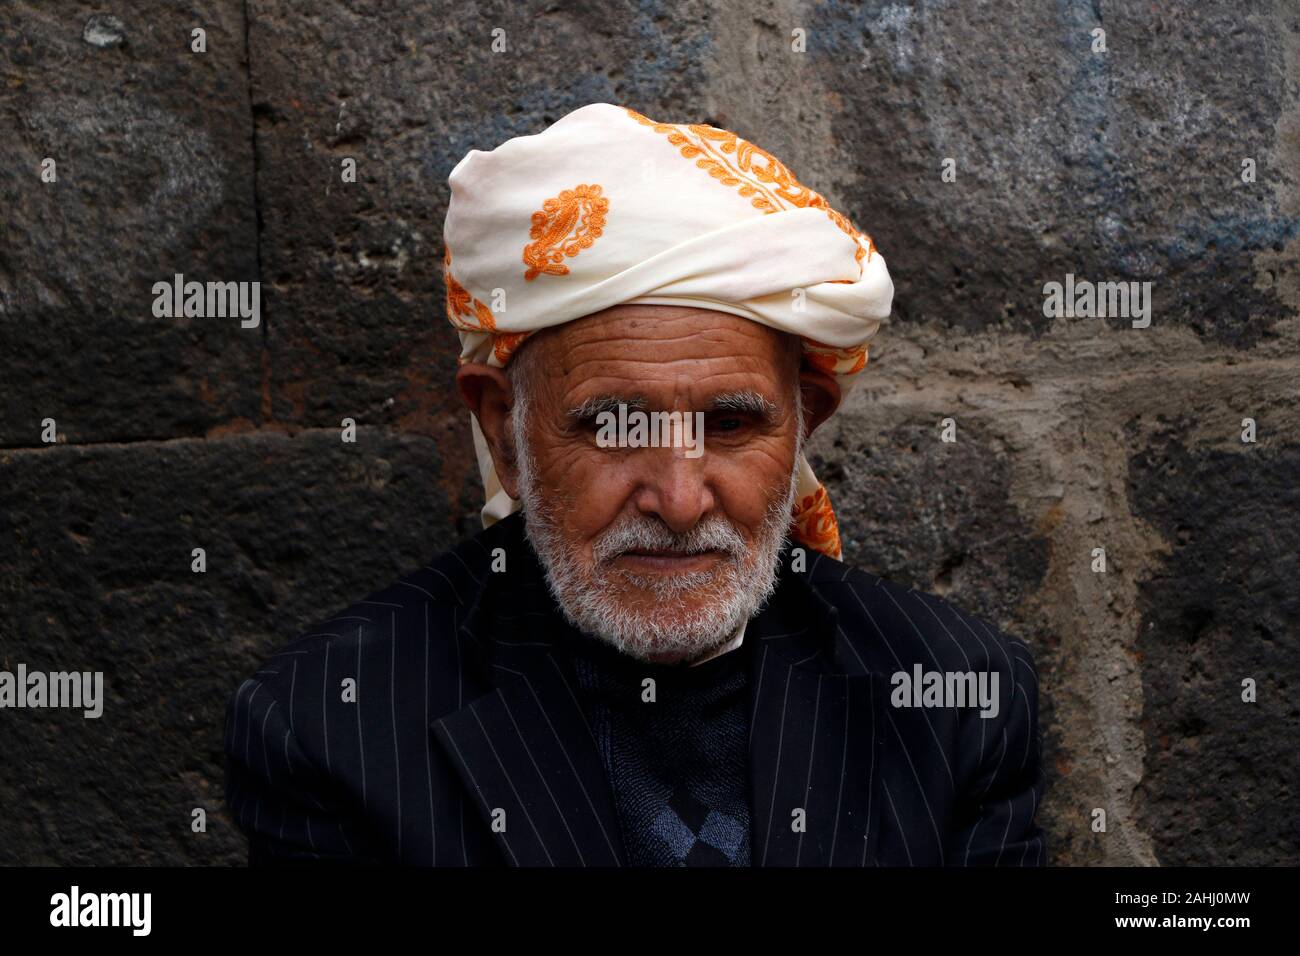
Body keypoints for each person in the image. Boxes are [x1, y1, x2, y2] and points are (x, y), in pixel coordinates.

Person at [223, 103, 1046, 866]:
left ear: (806, 422)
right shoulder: (332, 725)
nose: (681, 503)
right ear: (503, 432)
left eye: (729, 426)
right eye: (613, 428)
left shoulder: (954, 700)